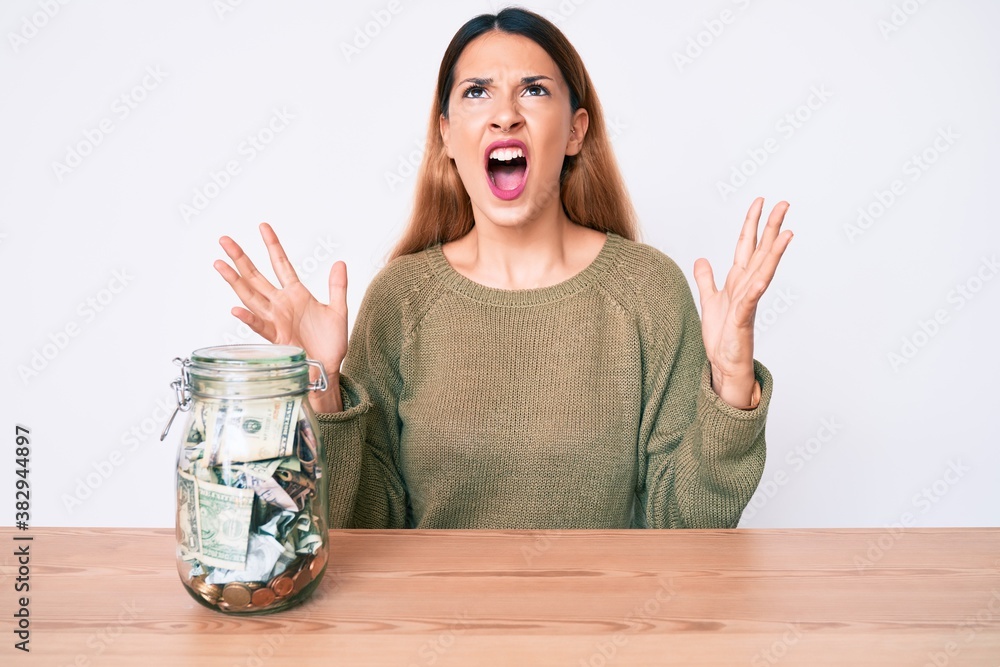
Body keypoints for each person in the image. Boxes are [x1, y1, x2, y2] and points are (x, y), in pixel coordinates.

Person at [214, 8, 793, 530]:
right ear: (446, 135)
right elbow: (365, 527)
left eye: (534, 91)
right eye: (476, 93)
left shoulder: (647, 291)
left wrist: (732, 383)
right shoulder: (402, 299)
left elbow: (687, 527)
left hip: (599, 638)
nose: (504, 116)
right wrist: (322, 385)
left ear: (575, 131)